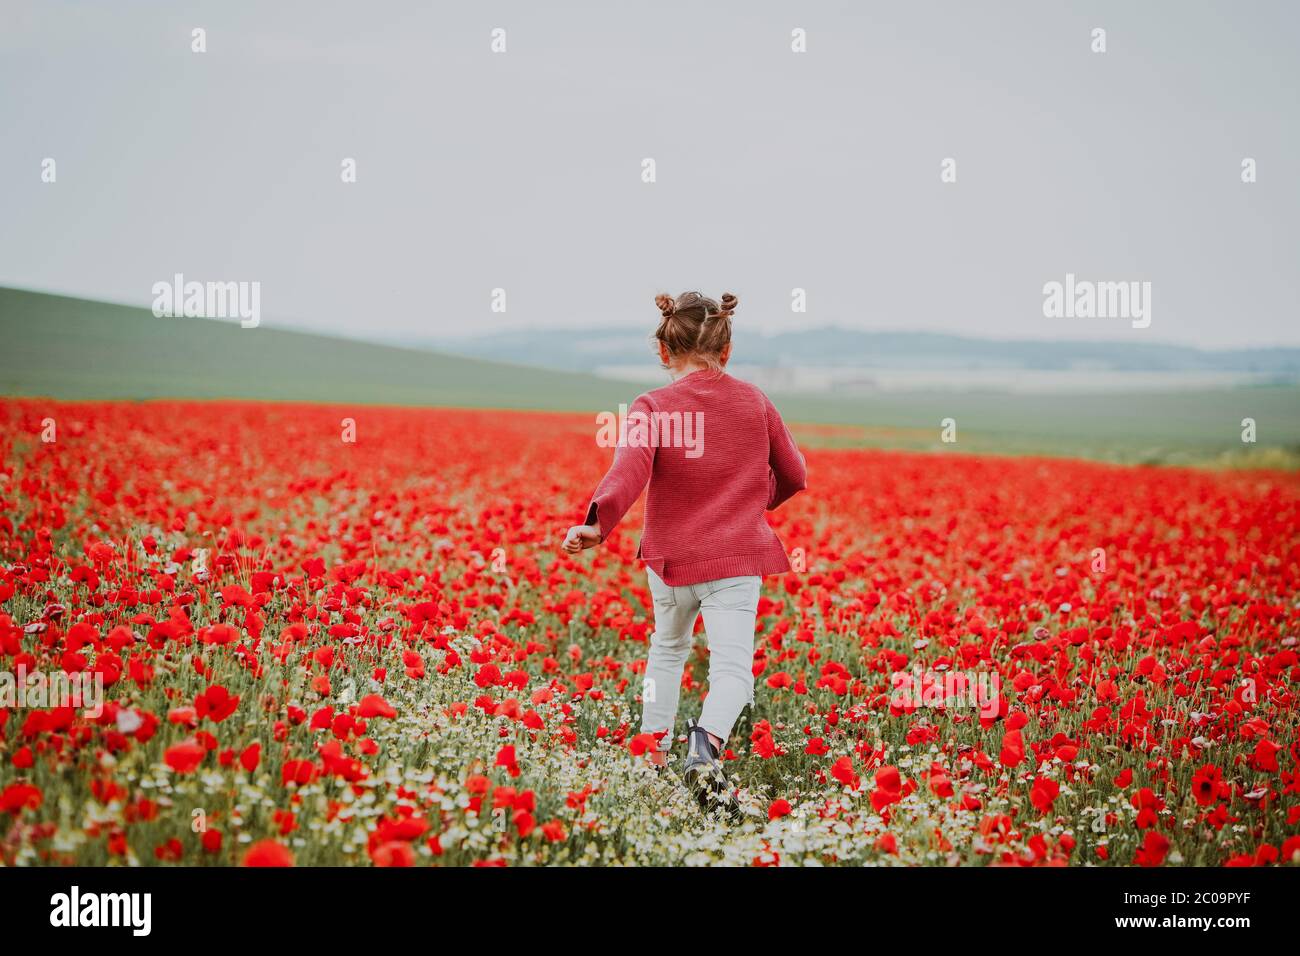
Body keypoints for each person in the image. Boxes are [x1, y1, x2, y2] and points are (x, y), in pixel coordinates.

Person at [562, 290, 807, 813]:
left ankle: (651, 756)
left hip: (671, 561)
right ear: (728, 346)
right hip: (737, 559)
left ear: (663, 351)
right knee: (732, 671)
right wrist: (757, 500)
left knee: (667, 651)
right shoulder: (756, 402)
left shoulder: (653, 406)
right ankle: (706, 746)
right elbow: (795, 473)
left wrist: (597, 524)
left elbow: (629, 471)